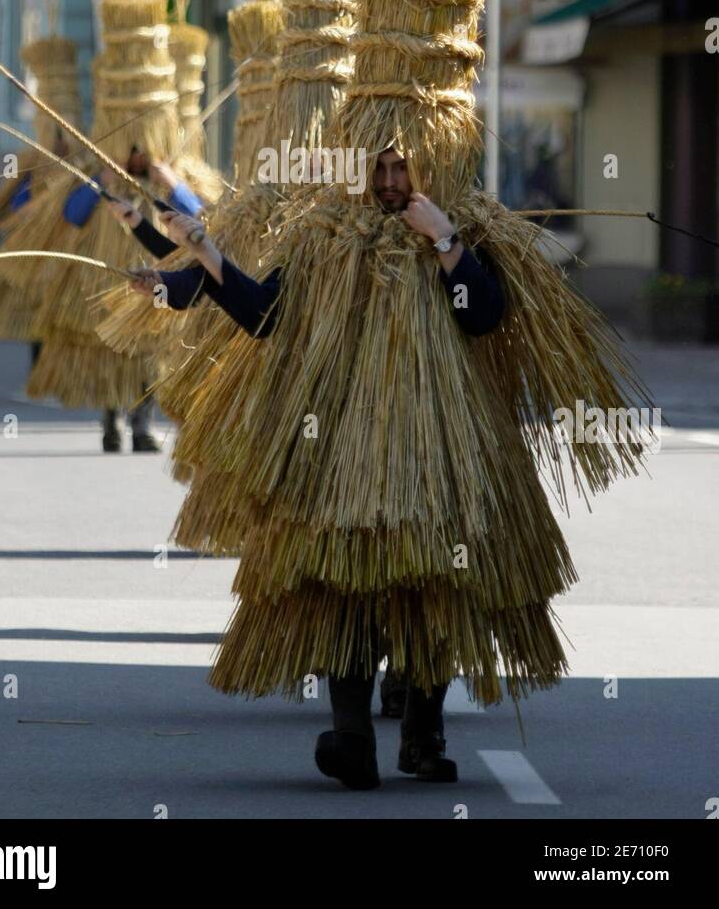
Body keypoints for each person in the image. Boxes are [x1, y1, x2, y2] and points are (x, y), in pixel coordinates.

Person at [123, 149, 505, 787]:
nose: (387, 185)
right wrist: (206, 254)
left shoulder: (461, 229)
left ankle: (423, 732)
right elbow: (267, 315)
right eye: (378, 170)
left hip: (438, 439)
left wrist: (443, 239)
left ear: (425, 171)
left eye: (400, 171)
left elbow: (482, 314)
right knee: (342, 579)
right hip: (342, 443)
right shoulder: (321, 240)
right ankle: (353, 735)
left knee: (440, 579)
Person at [76, 146, 203, 454]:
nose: (135, 156)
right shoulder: (101, 176)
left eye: (140, 149)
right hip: (110, 278)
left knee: (151, 351)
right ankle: (111, 418)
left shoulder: (176, 176)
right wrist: (100, 182)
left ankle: (143, 423)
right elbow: (72, 213)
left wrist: (173, 184)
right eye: (130, 149)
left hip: (164, 278)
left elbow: (205, 224)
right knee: (111, 347)